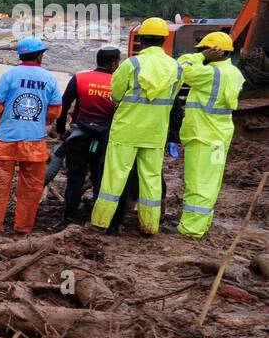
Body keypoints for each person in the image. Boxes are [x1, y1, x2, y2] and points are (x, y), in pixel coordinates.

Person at [90, 17, 182, 236]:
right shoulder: (176, 68)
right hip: (155, 132)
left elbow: (116, 95)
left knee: (114, 177)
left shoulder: (132, 64)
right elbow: (173, 99)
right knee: (151, 180)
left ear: (141, 39)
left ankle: (101, 222)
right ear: (164, 39)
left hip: (126, 131)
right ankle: (150, 226)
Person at [0, 37, 62, 234]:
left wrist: (3, 123)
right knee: (31, 187)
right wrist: (38, 121)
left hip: (5, 140)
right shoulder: (50, 78)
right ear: (39, 55)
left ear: (20, 55)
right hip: (34, 142)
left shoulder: (9, 75)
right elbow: (54, 111)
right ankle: (23, 227)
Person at [175, 31, 244, 237]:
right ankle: (201, 224)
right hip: (219, 136)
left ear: (215, 52)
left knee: (198, 182)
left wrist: (202, 57)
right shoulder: (234, 73)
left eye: (204, 49)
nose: (201, 52)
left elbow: (179, 68)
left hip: (203, 136)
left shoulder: (211, 73)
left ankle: (191, 229)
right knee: (210, 182)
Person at [53, 47, 120, 225]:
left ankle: (68, 215)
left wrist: (61, 130)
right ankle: (98, 216)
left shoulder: (80, 78)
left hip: (79, 135)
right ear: (114, 64)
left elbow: (64, 105)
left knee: (75, 176)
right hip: (104, 138)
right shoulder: (118, 82)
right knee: (99, 177)